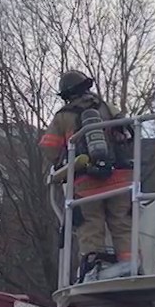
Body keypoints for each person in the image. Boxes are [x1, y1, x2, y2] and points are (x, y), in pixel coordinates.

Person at [39, 70, 134, 277]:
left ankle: (94, 269)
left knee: (90, 226)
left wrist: (61, 163)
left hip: (86, 182)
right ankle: (131, 266)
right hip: (119, 179)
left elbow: (49, 148)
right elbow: (127, 130)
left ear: (66, 94)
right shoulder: (106, 107)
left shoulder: (63, 116)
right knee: (122, 224)